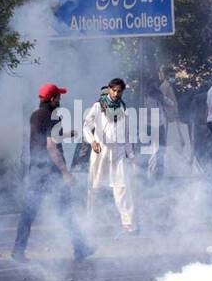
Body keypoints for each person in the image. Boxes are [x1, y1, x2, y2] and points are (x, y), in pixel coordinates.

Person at [12, 83, 92, 262]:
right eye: (59, 97)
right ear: (53, 99)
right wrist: (65, 172)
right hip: (51, 172)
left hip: (36, 170)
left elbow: (47, 137)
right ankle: (80, 248)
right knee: (65, 210)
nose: (60, 101)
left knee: (29, 213)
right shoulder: (53, 117)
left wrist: (68, 133)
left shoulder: (36, 115)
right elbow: (50, 146)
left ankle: (18, 251)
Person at [83, 77, 137, 233]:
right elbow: (86, 126)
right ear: (109, 89)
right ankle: (89, 222)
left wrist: (131, 156)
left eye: (119, 91)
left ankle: (128, 224)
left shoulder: (124, 108)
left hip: (118, 152)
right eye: (114, 90)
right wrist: (92, 141)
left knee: (123, 187)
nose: (116, 93)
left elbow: (127, 135)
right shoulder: (98, 106)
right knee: (94, 186)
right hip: (101, 151)